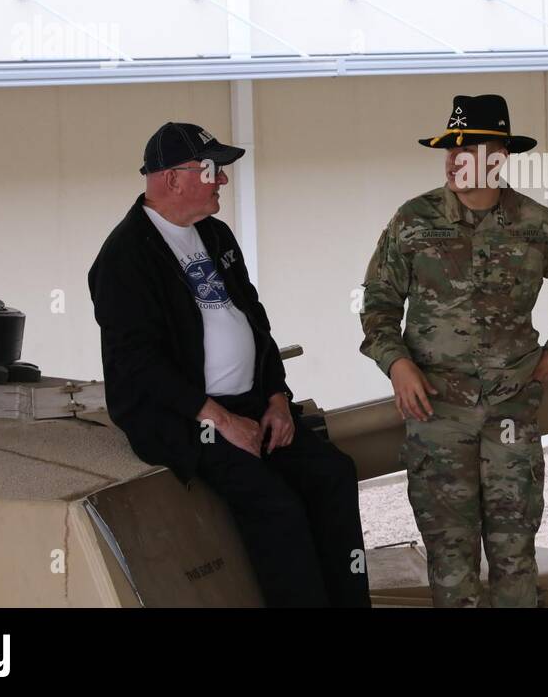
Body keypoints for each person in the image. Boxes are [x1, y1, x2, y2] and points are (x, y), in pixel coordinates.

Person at [88, 121, 370, 607]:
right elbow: (137, 363)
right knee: (276, 507)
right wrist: (218, 420)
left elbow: (255, 321)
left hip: (250, 404)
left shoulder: (214, 234)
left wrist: (278, 399)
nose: (222, 180)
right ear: (171, 179)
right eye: (211, 169)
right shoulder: (124, 257)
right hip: (186, 417)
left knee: (333, 474)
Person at [359, 94, 548, 607]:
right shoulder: (413, 221)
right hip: (436, 414)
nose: (451, 160)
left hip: (511, 411)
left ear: (497, 156)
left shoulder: (536, 225)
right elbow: (378, 302)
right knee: (450, 557)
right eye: (449, 149)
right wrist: (396, 362)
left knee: (515, 552)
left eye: (465, 148)